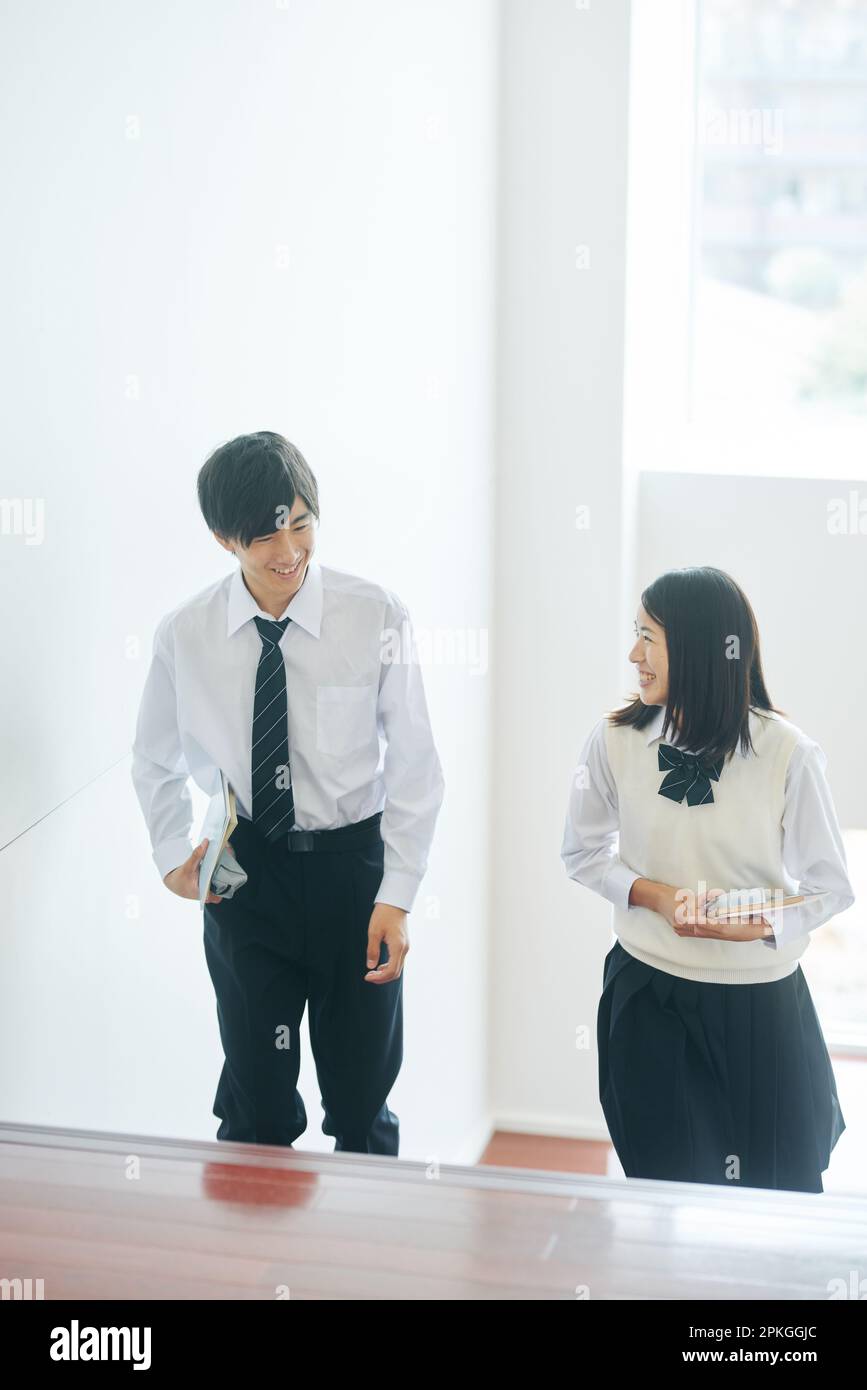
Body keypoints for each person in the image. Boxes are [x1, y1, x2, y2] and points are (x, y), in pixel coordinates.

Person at [131, 431, 444, 1154]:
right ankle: (256, 1257)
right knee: (256, 1103)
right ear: (223, 537)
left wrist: (395, 896)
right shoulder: (186, 633)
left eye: (300, 524)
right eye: (264, 533)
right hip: (249, 874)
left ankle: (356, 1261)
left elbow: (417, 765)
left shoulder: (375, 614)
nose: (287, 549)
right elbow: (152, 756)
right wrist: (171, 854)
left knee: (361, 1104)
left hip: (353, 874)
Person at [560, 566, 854, 1193]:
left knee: (782, 1187)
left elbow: (832, 887)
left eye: (648, 638)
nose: (632, 654)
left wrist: (757, 926)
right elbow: (582, 852)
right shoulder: (613, 741)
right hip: (648, 995)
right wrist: (654, 896)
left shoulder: (788, 754)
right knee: (663, 1187)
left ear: (697, 648)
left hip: (762, 1007)